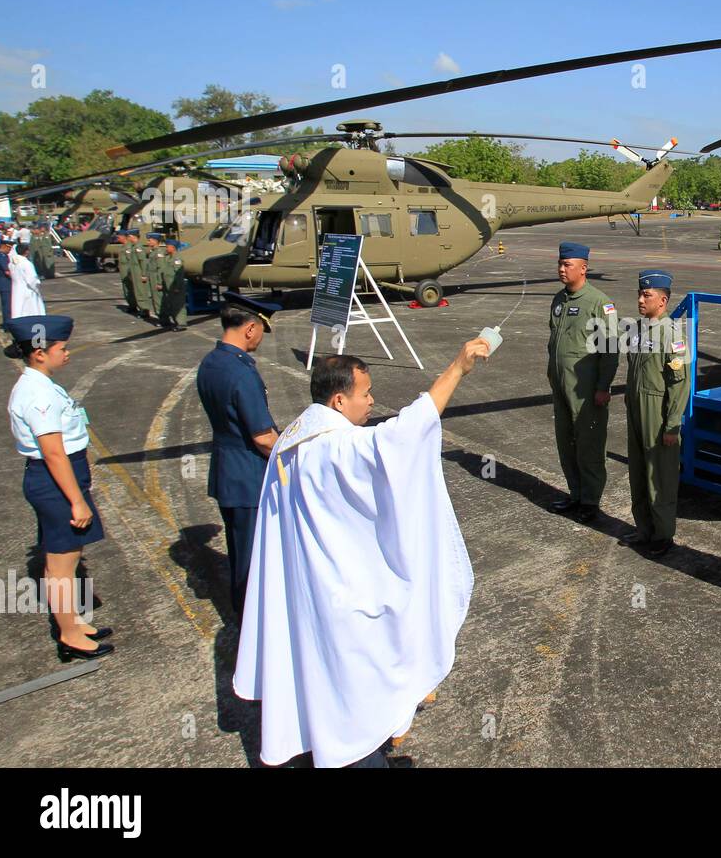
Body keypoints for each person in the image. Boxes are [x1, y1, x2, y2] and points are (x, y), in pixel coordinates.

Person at [234, 340, 490, 768]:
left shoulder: (290, 440)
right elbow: (407, 434)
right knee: (354, 705)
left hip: (304, 595)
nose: (372, 401)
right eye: (365, 393)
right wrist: (458, 368)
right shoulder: (335, 448)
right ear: (338, 399)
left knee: (326, 689)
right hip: (341, 604)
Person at [6, 315, 114, 662]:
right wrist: (77, 501)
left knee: (66, 558)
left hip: (57, 477)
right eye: (61, 348)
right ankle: (69, 634)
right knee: (62, 564)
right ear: (40, 353)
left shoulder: (42, 384)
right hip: (56, 480)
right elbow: (53, 452)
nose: (67, 354)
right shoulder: (38, 393)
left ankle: (74, 623)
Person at [196, 292, 280, 615]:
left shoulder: (211, 363)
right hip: (249, 478)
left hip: (227, 473)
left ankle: (243, 611)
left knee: (239, 547)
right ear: (249, 329)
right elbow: (262, 437)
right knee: (252, 557)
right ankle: (250, 623)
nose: (260, 338)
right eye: (261, 330)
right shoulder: (242, 373)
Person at [546, 242, 618, 525]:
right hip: (561, 387)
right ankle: (575, 494)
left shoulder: (600, 303)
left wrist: (603, 386)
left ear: (584, 269)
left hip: (586, 390)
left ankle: (590, 500)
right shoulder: (559, 300)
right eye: (560, 264)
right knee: (566, 442)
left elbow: (610, 349)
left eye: (568, 265)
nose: (562, 269)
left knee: (589, 445)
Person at [620, 270, 690, 560]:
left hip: (657, 411)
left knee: (658, 474)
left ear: (662, 301)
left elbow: (679, 382)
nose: (640, 299)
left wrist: (672, 424)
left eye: (646, 295)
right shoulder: (636, 330)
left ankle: (663, 534)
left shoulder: (672, 335)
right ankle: (644, 529)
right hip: (636, 407)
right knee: (638, 470)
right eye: (639, 293)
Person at [158, 239, 188, 331]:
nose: (166, 248)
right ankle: (176, 322)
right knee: (172, 304)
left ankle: (181, 323)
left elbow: (179, 274)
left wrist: (177, 287)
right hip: (169, 285)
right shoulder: (168, 258)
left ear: (173, 247)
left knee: (178, 304)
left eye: (167, 246)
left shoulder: (177, 259)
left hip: (175, 286)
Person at [9, 242, 44, 318]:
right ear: (26, 251)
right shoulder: (26, 263)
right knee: (29, 310)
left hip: (16, 288)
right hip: (27, 290)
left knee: (18, 308)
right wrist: (37, 288)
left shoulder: (12, 262)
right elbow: (32, 279)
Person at [0, 237, 11, 330]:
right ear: (3, 246)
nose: (10, 250)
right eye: (9, 248)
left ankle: (7, 323)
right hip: (5, 283)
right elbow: (7, 271)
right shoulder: (0, 257)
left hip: (4, 283)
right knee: (7, 306)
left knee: (7, 305)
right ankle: (7, 324)